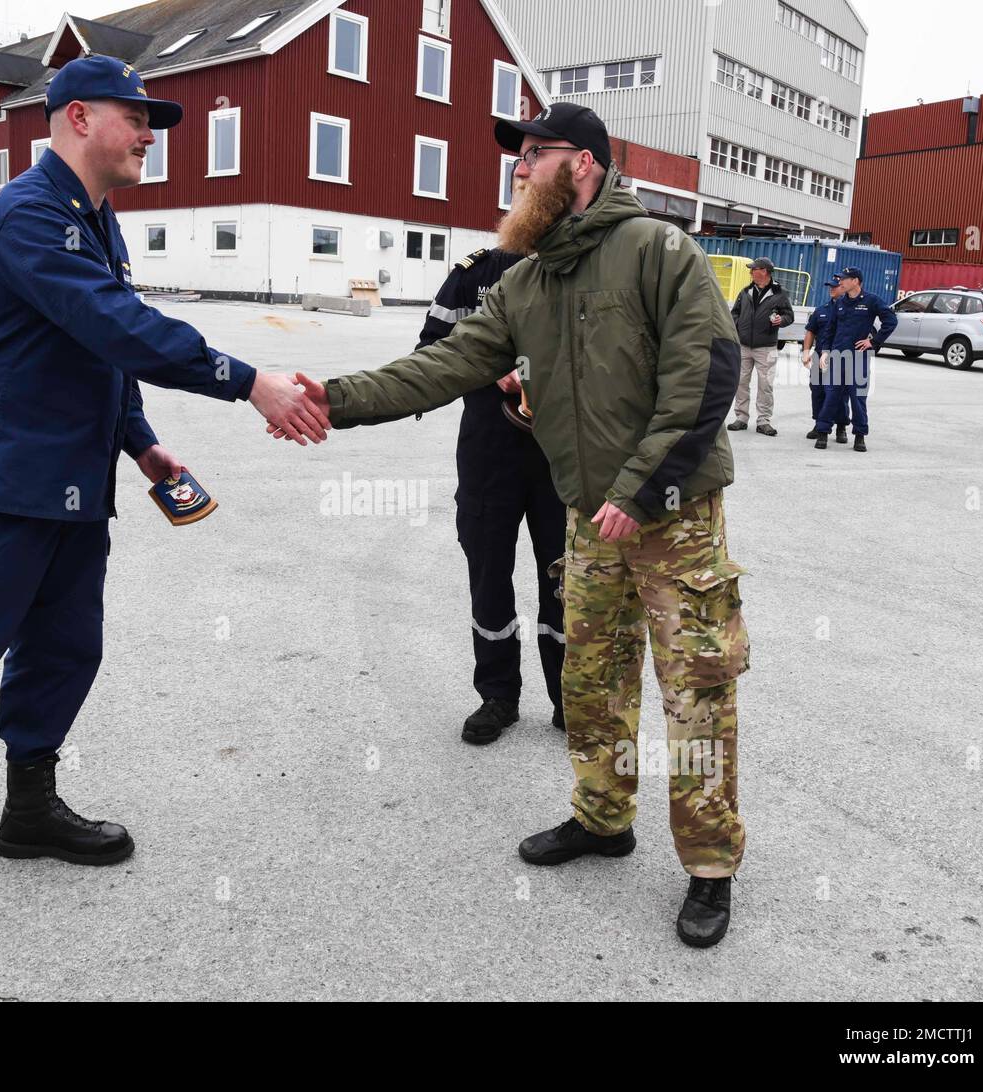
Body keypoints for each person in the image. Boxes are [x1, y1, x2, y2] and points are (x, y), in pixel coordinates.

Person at [0, 54, 327, 960]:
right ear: (74, 118)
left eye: (152, 121)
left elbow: (98, 353)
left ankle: (28, 810)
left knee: (64, 651)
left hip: (71, 492)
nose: (148, 134)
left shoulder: (96, 219)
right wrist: (250, 381)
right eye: (135, 118)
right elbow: (114, 324)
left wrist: (141, 443)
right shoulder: (25, 215)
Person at [273, 103, 750, 947]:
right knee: (591, 682)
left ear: (587, 166)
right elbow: (442, 364)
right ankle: (604, 820)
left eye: (537, 154)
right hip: (588, 519)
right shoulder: (524, 283)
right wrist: (333, 401)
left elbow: (705, 373)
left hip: (672, 517)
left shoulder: (657, 250)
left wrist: (641, 490)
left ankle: (710, 867)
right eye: (518, 157)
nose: (519, 169)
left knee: (695, 695)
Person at [417, 247, 566, 745]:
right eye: (521, 179)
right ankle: (498, 695)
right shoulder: (473, 275)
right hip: (488, 456)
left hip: (564, 458)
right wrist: (489, 371)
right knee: (488, 576)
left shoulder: (586, 269)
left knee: (569, 582)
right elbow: (430, 353)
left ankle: (571, 699)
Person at [811, 266, 897, 452]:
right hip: (838, 356)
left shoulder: (871, 301)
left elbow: (891, 320)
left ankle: (859, 436)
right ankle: (823, 432)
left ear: (855, 281)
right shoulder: (840, 302)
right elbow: (830, 329)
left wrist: (873, 342)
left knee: (858, 398)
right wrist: (825, 351)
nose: (841, 281)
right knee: (831, 395)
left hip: (858, 358)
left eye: (844, 278)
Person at [726, 257, 794, 437]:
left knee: (765, 385)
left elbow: (789, 316)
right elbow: (735, 313)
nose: (750, 272)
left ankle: (763, 421)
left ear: (764, 271)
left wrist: (782, 320)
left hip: (766, 347)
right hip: (744, 346)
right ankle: (741, 418)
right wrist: (738, 326)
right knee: (740, 382)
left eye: (753, 269)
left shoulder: (780, 293)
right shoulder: (745, 291)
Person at [803, 275, 850, 444]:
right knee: (817, 391)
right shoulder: (821, 309)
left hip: (839, 357)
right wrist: (806, 351)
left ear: (843, 287)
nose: (831, 289)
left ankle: (841, 426)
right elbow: (811, 331)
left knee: (840, 393)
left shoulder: (849, 309)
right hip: (819, 355)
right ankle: (819, 424)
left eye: (835, 286)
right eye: (830, 286)